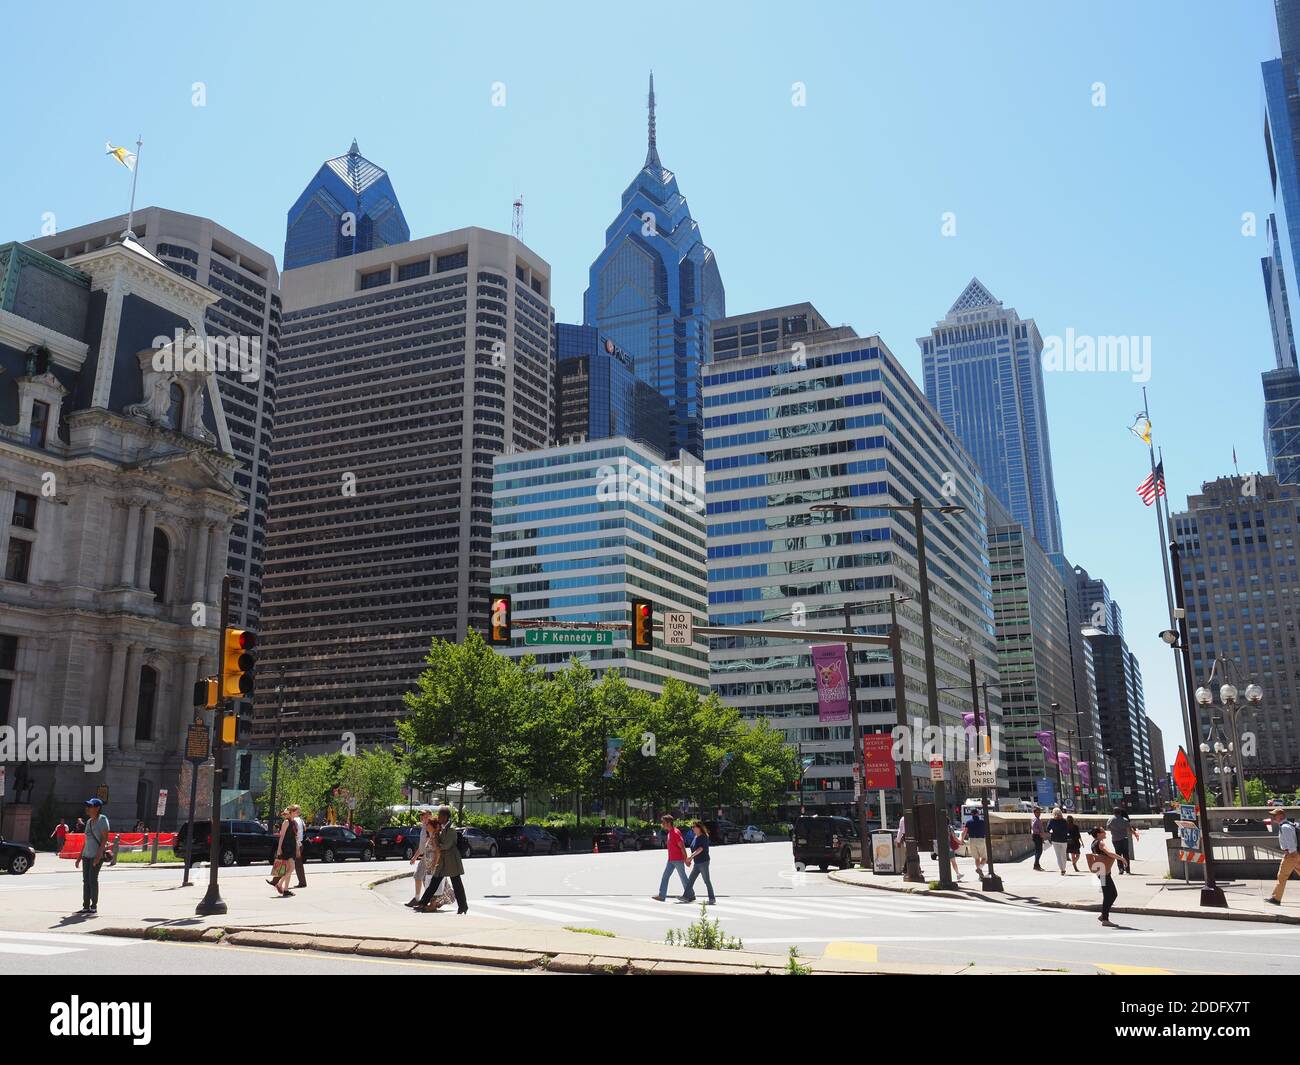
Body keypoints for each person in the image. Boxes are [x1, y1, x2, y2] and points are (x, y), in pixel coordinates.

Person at [415, 806, 468, 914]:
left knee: (456, 883)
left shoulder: (451, 829)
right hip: (443, 860)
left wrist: (438, 846)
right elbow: (438, 842)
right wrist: (436, 832)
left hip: (451, 860)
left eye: (440, 815)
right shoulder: (442, 828)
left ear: (445, 817)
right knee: (435, 880)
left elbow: (447, 845)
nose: (438, 817)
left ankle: (463, 907)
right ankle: (423, 902)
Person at [74, 798, 109, 915]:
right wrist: (79, 857)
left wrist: (98, 856)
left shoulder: (102, 820)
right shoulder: (89, 821)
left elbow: (104, 840)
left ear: (97, 808)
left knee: (92, 880)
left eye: (90, 806)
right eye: (87, 806)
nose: (88, 808)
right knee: (86, 881)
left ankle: (93, 907)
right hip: (86, 855)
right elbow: (86, 841)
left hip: (95, 855)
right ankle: (85, 906)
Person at [651, 814, 691, 902]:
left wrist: (686, 859)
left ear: (669, 823)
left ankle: (690, 894)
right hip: (671, 860)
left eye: (663, 822)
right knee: (665, 877)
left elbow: (682, 846)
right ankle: (662, 896)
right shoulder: (670, 832)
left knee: (683, 877)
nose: (662, 824)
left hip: (678, 859)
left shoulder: (675, 833)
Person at [1087, 825, 1121, 926]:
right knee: (1111, 894)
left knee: (1109, 894)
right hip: (1104, 872)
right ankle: (1105, 919)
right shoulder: (1100, 843)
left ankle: (1103, 916)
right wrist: (1121, 858)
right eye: (1103, 831)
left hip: (1101, 871)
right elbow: (1109, 853)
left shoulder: (1094, 843)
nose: (1105, 832)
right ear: (1098, 834)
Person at [1266, 806, 1300, 906]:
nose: (1273, 817)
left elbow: (1291, 842)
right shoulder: (1288, 825)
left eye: (1274, 815)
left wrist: (1292, 855)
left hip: (1291, 855)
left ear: (1280, 816)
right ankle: (1275, 897)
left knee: (1282, 876)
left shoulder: (1285, 827)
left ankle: (1276, 898)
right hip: (1295, 854)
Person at [407, 811, 436, 907]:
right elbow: (422, 846)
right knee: (423, 878)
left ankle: (421, 899)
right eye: (421, 815)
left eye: (424, 815)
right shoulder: (424, 827)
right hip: (426, 855)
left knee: (420, 876)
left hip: (429, 855)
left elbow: (430, 843)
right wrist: (415, 857)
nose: (422, 817)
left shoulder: (429, 827)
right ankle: (425, 899)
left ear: (429, 816)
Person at [683, 821, 716, 905]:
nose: (693, 828)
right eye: (692, 827)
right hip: (697, 862)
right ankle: (685, 896)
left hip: (703, 862)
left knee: (706, 880)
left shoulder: (703, 837)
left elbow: (700, 849)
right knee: (691, 880)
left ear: (699, 828)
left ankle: (712, 898)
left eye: (694, 827)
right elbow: (694, 849)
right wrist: (691, 859)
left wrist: (691, 857)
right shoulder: (695, 837)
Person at [270, 809, 298, 896]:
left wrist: (297, 847)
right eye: (297, 811)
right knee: (292, 868)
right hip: (286, 847)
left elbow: (295, 836)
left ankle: (286, 889)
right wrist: (279, 848)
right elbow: (281, 836)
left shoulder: (294, 822)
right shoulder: (286, 822)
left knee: (289, 868)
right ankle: (279, 884)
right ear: (291, 812)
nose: (298, 813)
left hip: (292, 847)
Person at [1106, 808, 1136, 874]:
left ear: (1114, 812)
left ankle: (1121, 869)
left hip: (1115, 839)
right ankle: (1127, 869)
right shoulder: (1125, 820)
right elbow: (1129, 829)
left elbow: (1107, 828)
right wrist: (1135, 834)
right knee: (1126, 854)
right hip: (1124, 838)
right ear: (1120, 812)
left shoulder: (1110, 820)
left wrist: (1114, 830)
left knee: (1118, 854)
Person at [962, 807, 988, 879]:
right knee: (984, 858)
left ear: (971, 814)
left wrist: (962, 840)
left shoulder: (968, 822)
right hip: (980, 839)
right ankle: (979, 869)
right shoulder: (982, 821)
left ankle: (980, 875)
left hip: (972, 840)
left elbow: (964, 832)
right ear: (978, 814)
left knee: (976, 858)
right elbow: (987, 831)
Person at [1047, 808, 1071, 875]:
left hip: (1055, 840)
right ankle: (1064, 868)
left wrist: (1052, 832)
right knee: (1063, 855)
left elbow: (1048, 829)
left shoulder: (1051, 820)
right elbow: (1067, 830)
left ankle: (1062, 869)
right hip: (1063, 840)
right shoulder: (1064, 821)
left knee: (1058, 856)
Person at [290, 805, 307, 888]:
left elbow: (295, 833)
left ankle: (276, 880)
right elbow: (305, 829)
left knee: (287, 862)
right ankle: (302, 882)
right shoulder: (300, 820)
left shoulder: (295, 820)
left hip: (296, 844)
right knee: (298, 864)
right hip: (300, 843)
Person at [1030, 806, 1046, 870]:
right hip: (1037, 836)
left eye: (1039, 812)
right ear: (1034, 813)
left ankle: (1037, 864)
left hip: (1038, 836)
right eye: (1037, 812)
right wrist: (1040, 833)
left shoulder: (1037, 819)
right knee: (1039, 851)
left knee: (1038, 851)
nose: (1039, 813)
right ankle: (1036, 865)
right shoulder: (1036, 819)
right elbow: (1034, 828)